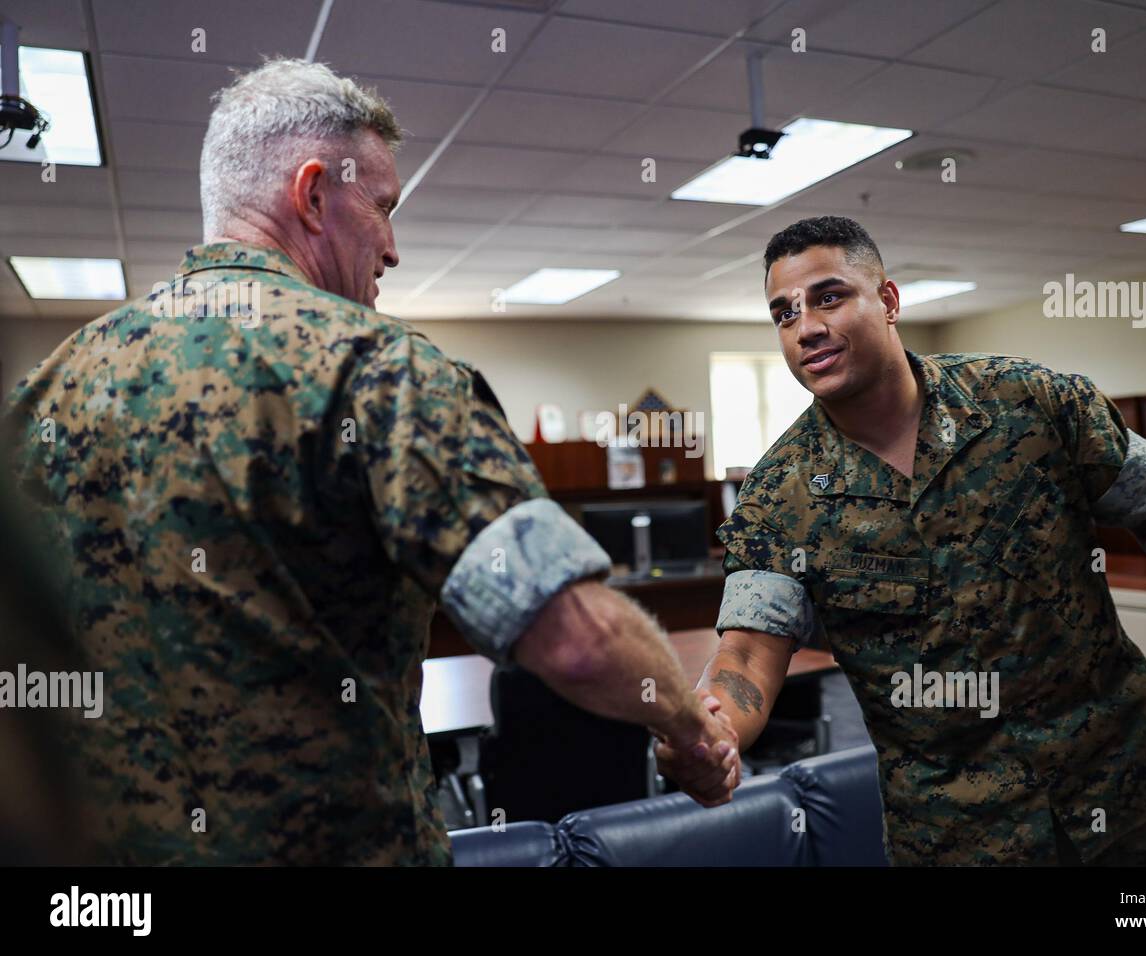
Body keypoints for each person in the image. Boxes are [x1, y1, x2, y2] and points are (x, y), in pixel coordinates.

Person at [3, 58, 737, 865]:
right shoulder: (380, 368)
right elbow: (575, 639)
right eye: (383, 208)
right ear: (314, 194)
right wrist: (688, 729)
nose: (391, 247)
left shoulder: (43, 391)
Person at [657, 216, 1146, 866]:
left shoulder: (1029, 402)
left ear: (890, 300)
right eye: (783, 313)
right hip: (962, 834)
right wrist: (717, 728)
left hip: (1137, 791)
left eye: (829, 296)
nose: (806, 325)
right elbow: (750, 652)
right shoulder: (777, 495)